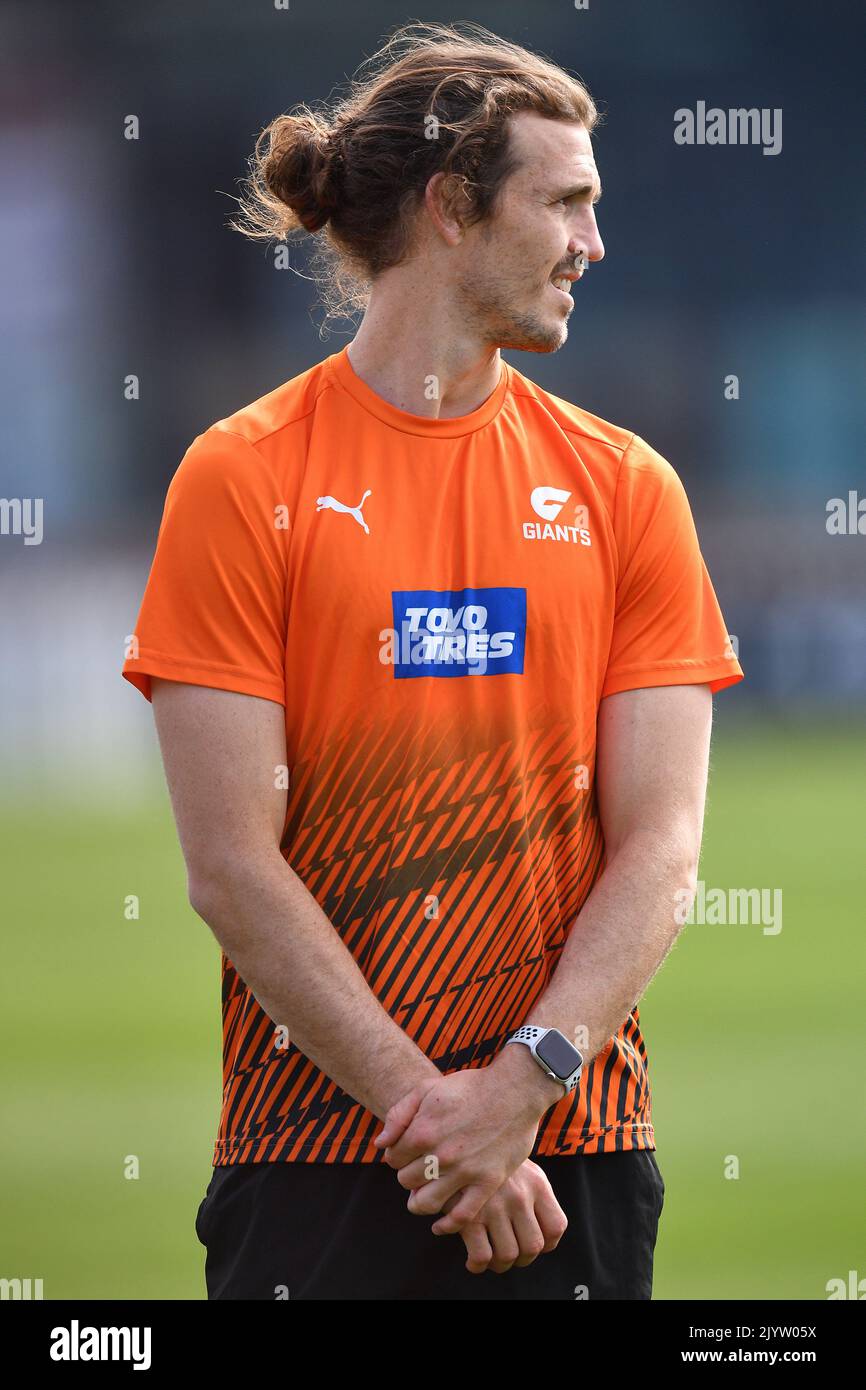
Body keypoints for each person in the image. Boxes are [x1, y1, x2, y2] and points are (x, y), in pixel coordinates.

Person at [122, 21, 743, 1300]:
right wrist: (443, 1118)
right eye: (564, 202)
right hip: (315, 1154)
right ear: (453, 207)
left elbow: (662, 848)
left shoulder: (628, 489)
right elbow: (232, 867)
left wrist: (520, 1088)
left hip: (571, 1151)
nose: (593, 243)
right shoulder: (242, 477)